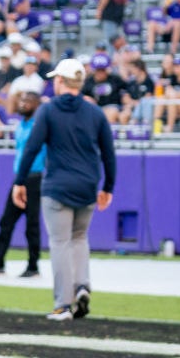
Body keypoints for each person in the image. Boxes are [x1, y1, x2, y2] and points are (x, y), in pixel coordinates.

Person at [14, 58, 116, 321]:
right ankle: (82, 285)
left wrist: (19, 181)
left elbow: (32, 147)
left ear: (60, 80)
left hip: (58, 186)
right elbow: (108, 153)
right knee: (80, 238)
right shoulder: (94, 113)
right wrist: (108, 187)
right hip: (87, 186)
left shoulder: (48, 111)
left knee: (60, 243)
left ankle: (63, 304)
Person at [0, 91, 45, 278]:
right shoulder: (21, 125)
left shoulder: (41, 126)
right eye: (21, 100)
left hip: (35, 178)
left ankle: (33, 266)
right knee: (6, 221)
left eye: (28, 101)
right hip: (19, 178)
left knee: (32, 224)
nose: (23, 104)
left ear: (37, 105)